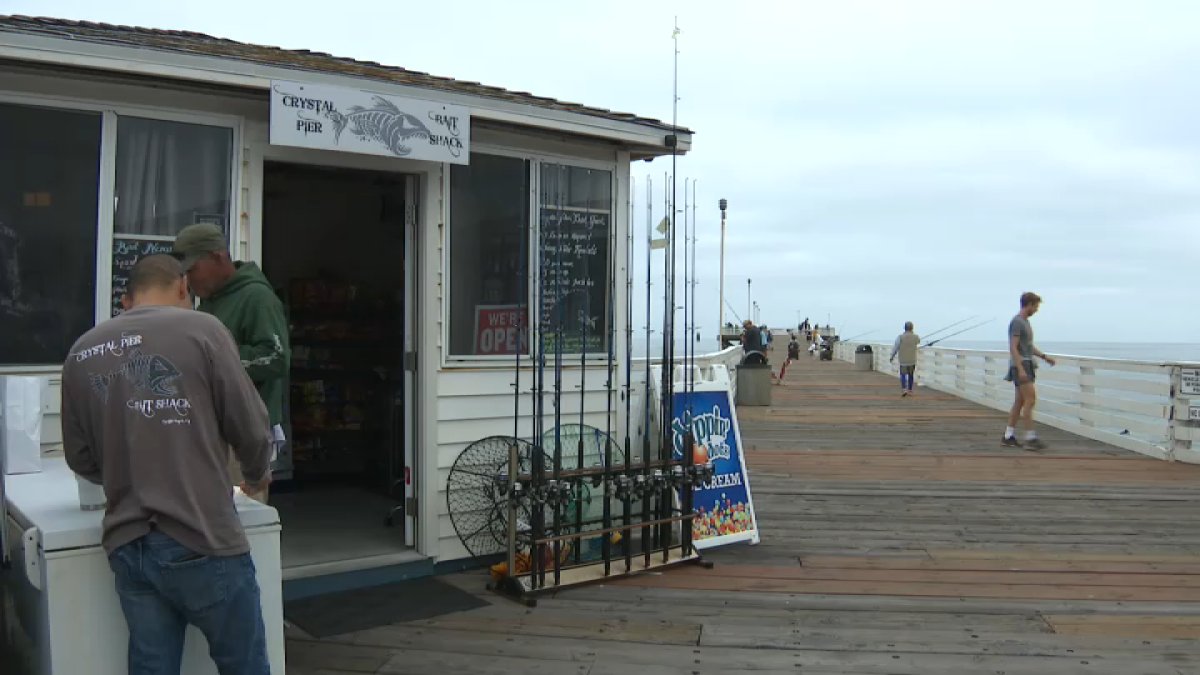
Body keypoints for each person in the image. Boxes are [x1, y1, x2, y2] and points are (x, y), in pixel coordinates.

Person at [61, 255, 273, 675]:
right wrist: (255, 473)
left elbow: (80, 459)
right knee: (243, 665)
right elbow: (249, 425)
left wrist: (133, 467)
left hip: (128, 544)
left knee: (151, 666)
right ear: (181, 287)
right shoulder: (203, 329)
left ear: (128, 298)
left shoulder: (83, 351)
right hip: (203, 536)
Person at [172, 224, 290, 500]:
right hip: (213, 433)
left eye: (193, 270)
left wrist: (218, 360)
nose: (189, 280)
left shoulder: (257, 297)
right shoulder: (209, 302)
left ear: (218, 257)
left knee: (248, 522)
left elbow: (277, 358)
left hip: (245, 436)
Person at [1002, 291, 1056, 449]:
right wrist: (1020, 369)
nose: (1037, 310)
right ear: (1029, 305)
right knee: (1030, 400)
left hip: (1027, 363)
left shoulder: (1025, 322)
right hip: (1022, 365)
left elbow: (1028, 346)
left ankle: (1008, 436)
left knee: (1020, 401)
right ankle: (1030, 438)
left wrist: (1044, 357)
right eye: (1036, 306)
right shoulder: (1017, 322)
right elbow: (1013, 347)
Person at [889, 321, 921, 397]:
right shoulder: (916, 337)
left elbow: (895, 347)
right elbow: (918, 341)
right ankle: (910, 390)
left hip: (903, 360)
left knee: (903, 375)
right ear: (912, 328)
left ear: (905, 328)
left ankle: (904, 390)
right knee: (911, 375)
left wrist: (892, 356)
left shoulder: (900, 337)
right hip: (912, 360)